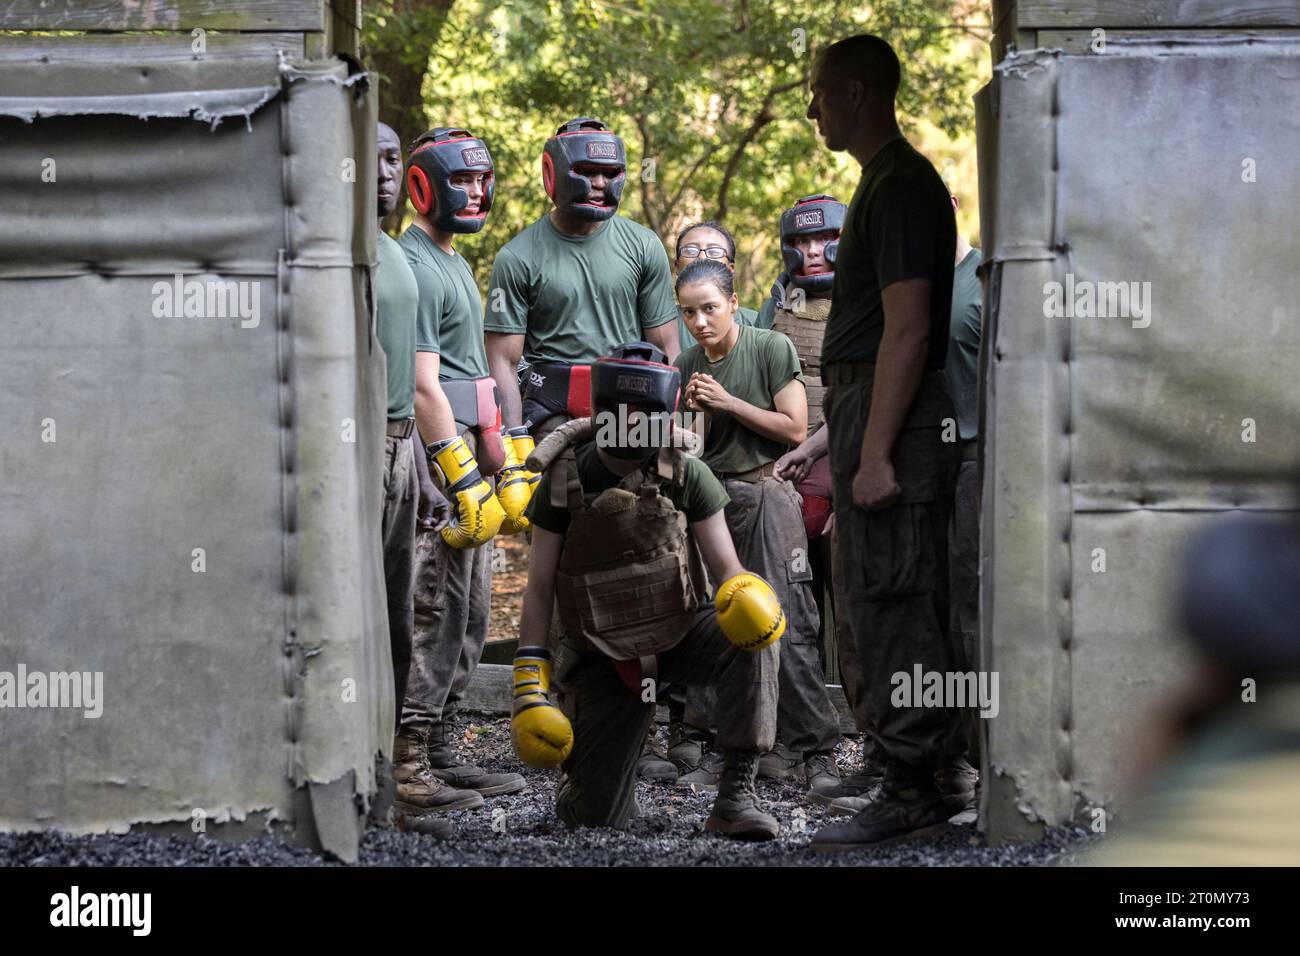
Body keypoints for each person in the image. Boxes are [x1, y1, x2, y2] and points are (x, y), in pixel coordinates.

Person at [801, 34, 974, 851]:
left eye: (820, 91)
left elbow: (906, 331)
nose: (812, 108)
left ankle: (915, 782)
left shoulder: (902, 184)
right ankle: (918, 766)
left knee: (894, 595)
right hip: (871, 403)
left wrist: (873, 456)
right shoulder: (882, 183)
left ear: (859, 91)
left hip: (891, 409)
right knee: (878, 591)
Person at [508, 343, 785, 840]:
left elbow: (728, 570)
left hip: (679, 634)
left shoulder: (687, 472)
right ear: (602, 410)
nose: (634, 427)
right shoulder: (563, 477)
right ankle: (595, 779)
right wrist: (531, 681)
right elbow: (539, 588)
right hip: (602, 655)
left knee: (755, 631)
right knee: (594, 819)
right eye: (624, 414)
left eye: (647, 416)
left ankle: (736, 796)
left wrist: (751, 597)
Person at [673, 260, 844, 799]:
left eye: (710, 309)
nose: (700, 322)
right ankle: (732, 751)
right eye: (689, 313)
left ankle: (815, 750)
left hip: (767, 492)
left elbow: (795, 428)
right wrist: (690, 421)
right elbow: (694, 447)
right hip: (709, 500)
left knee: (786, 621)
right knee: (717, 619)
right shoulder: (686, 364)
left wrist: (727, 401)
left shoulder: (769, 347)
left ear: (733, 301)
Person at [396, 127, 526, 824]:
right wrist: (459, 472)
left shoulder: (454, 260)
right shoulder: (412, 262)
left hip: (472, 457)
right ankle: (409, 765)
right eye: (461, 180)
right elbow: (422, 386)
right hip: (438, 464)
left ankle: (442, 741)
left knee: (472, 611)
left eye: (483, 179)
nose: (475, 191)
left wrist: (499, 454)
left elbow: (471, 372)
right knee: (434, 608)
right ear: (426, 185)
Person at [484, 117, 681, 452]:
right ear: (553, 173)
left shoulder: (645, 246)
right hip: (551, 407)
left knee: (640, 500)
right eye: (588, 172)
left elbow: (667, 347)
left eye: (610, 173)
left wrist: (674, 420)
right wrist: (514, 440)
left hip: (632, 406)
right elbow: (502, 360)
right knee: (561, 494)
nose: (600, 183)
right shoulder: (517, 257)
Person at [372, 122, 452, 837]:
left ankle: (401, 778)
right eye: (368, 158)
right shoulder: (340, 255)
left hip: (402, 454)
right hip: (356, 453)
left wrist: (425, 465)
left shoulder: (399, 257)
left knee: (402, 617)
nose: (384, 172)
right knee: (354, 618)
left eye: (394, 158)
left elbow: (413, 381)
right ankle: (359, 779)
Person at [670, 221, 765, 354]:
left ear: (730, 268)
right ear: (677, 267)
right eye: (691, 250)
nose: (702, 257)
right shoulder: (662, 324)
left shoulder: (756, 322)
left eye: (714, 251)